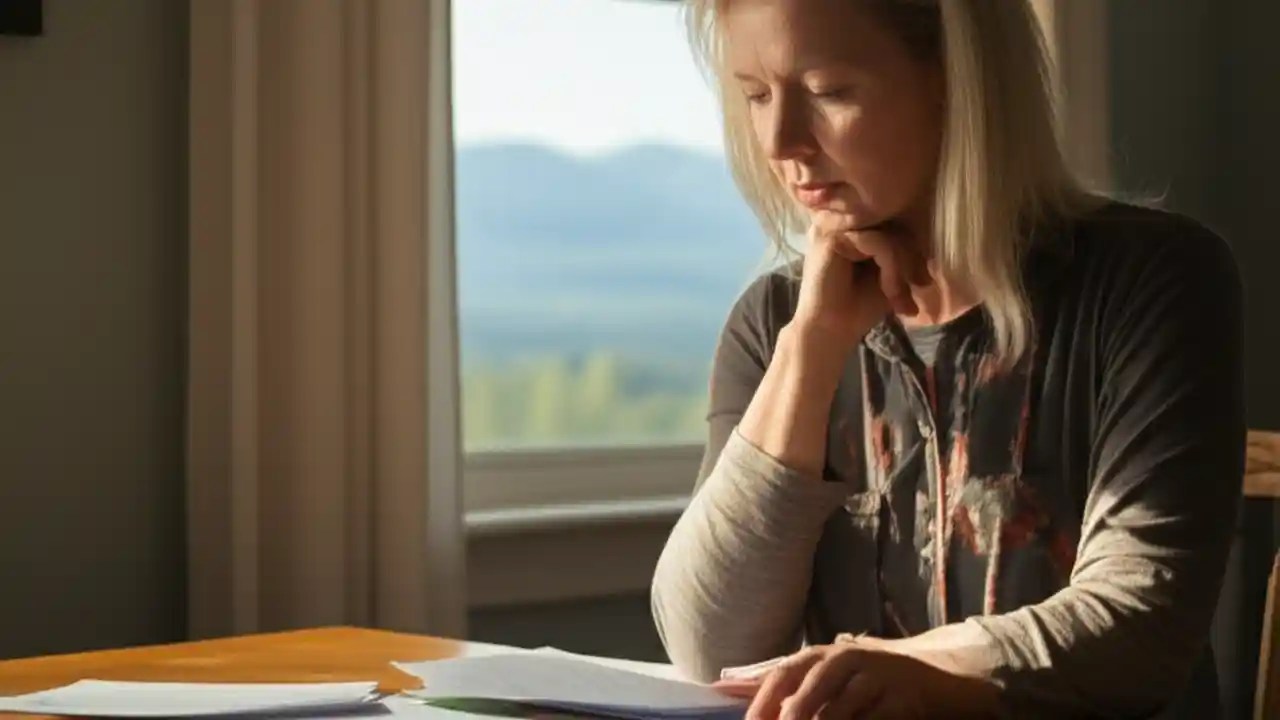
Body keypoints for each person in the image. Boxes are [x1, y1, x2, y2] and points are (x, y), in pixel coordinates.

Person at [649, 0, 1245, 717]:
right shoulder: (777, 321)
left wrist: (884, 667)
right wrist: (809, 349)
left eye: (829, 92)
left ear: (957, 81)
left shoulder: (1152, 281)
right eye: (755, 94)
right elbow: (708, 647)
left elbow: (1140, 622)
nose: (780, 140)